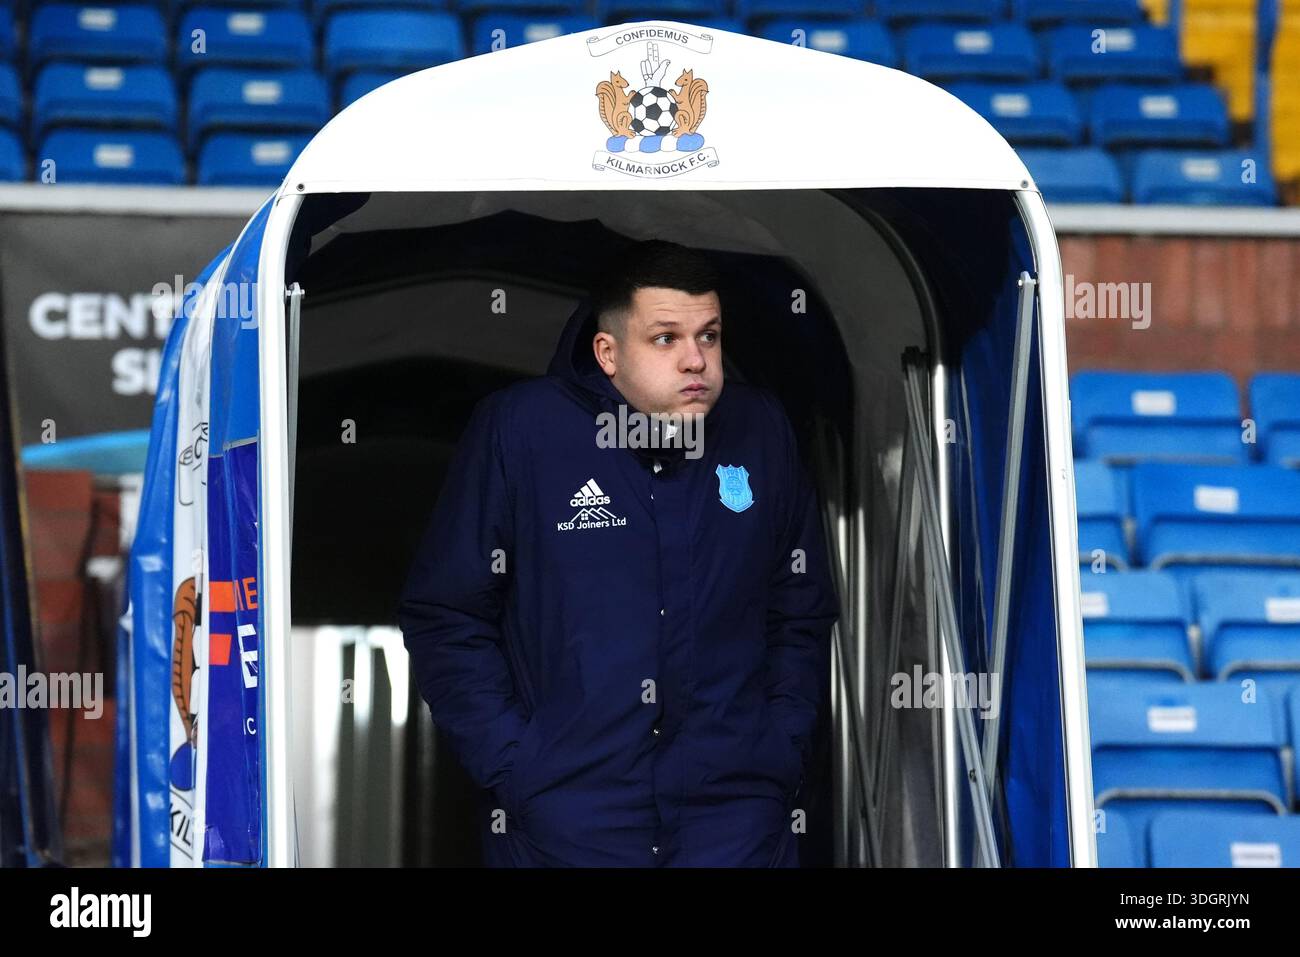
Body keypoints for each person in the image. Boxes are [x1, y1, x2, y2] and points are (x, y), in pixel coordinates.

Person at [397, 239, 839, 867]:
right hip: (570, 823)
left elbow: (800, 609)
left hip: (734, 821)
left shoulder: (761, 430)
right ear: (608, 353)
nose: (697, 361)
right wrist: (515, 764)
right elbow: (448, 612)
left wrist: (780, 747)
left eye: (709, 337)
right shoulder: (521, 431)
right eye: (666, 339)